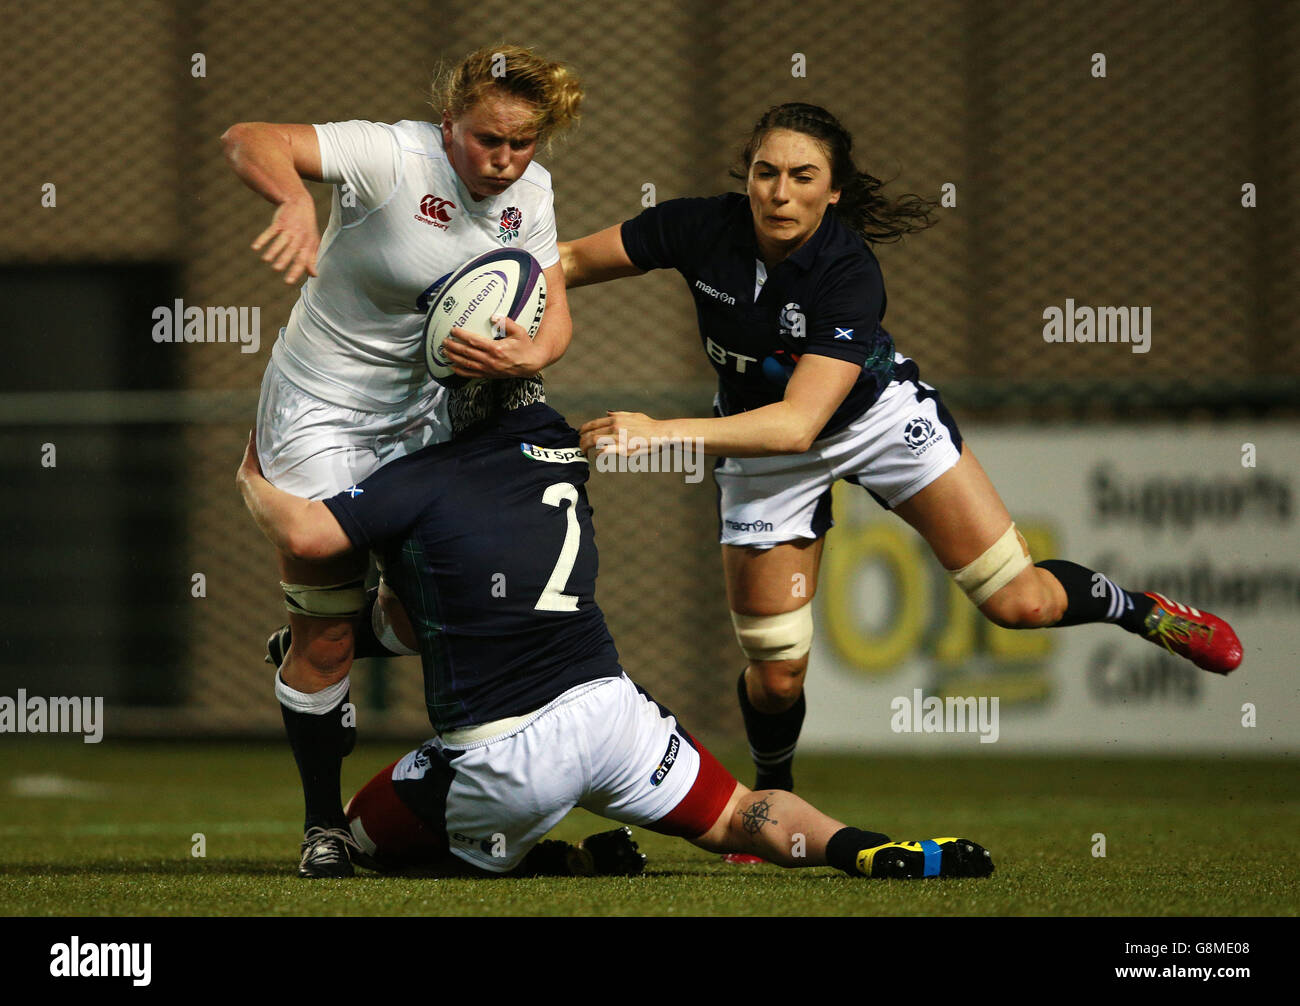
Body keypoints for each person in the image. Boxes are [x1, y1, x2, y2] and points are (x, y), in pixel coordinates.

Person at [558, 102, 1244, 800]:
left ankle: (1139, 609)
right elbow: (570, 260)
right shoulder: (698, 226)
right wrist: (499, 299)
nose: (780, 192)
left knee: (1020, 605)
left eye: (803, 176)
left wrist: (659, 432)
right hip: (761, 443)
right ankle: (775, 797)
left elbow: (799, 422)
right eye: (766, 173)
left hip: (872, 422)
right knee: (775, 673)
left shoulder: (848, 271)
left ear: (834, 191)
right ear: (749, 177)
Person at [235, 392, 996, 881]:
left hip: (510, 757)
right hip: (612, 713)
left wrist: (254, 479)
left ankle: (549, 862)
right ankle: (864, 846)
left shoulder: (423, 478)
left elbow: (307, 531)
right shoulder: (553, 439)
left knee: (365, 835)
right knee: (739, 813)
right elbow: (438, 611)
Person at [221, 44, 581, 877]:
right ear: (449, 124)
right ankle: (323, 826)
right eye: (488, 139)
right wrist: (293, 205)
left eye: (522, 143)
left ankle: (345, 630)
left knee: (466, 609)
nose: (503, 160)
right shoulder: (391, 154)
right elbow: (250, 136)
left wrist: (534, 355)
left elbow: (551, 302)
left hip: (428, 415)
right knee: (325, 632)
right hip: (320, 410)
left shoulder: (533, 192)